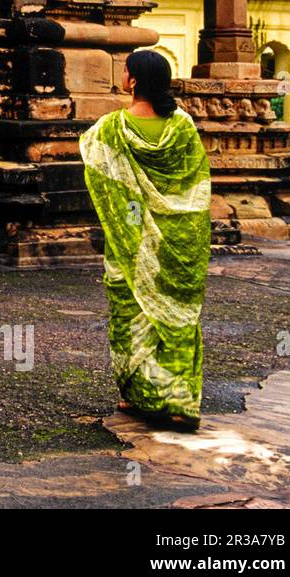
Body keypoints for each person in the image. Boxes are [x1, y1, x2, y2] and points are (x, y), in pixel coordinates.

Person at [80, 50, 210, 432]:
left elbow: (100, 176)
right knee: (177, 318)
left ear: (133, 80)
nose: (122, 75)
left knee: (131, 317)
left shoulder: (111, 128)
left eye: (125, 71)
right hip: (179, 241)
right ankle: (180, 403)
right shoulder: (184, 127)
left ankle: (139, 396)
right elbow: (197, 187)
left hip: (130, 242)